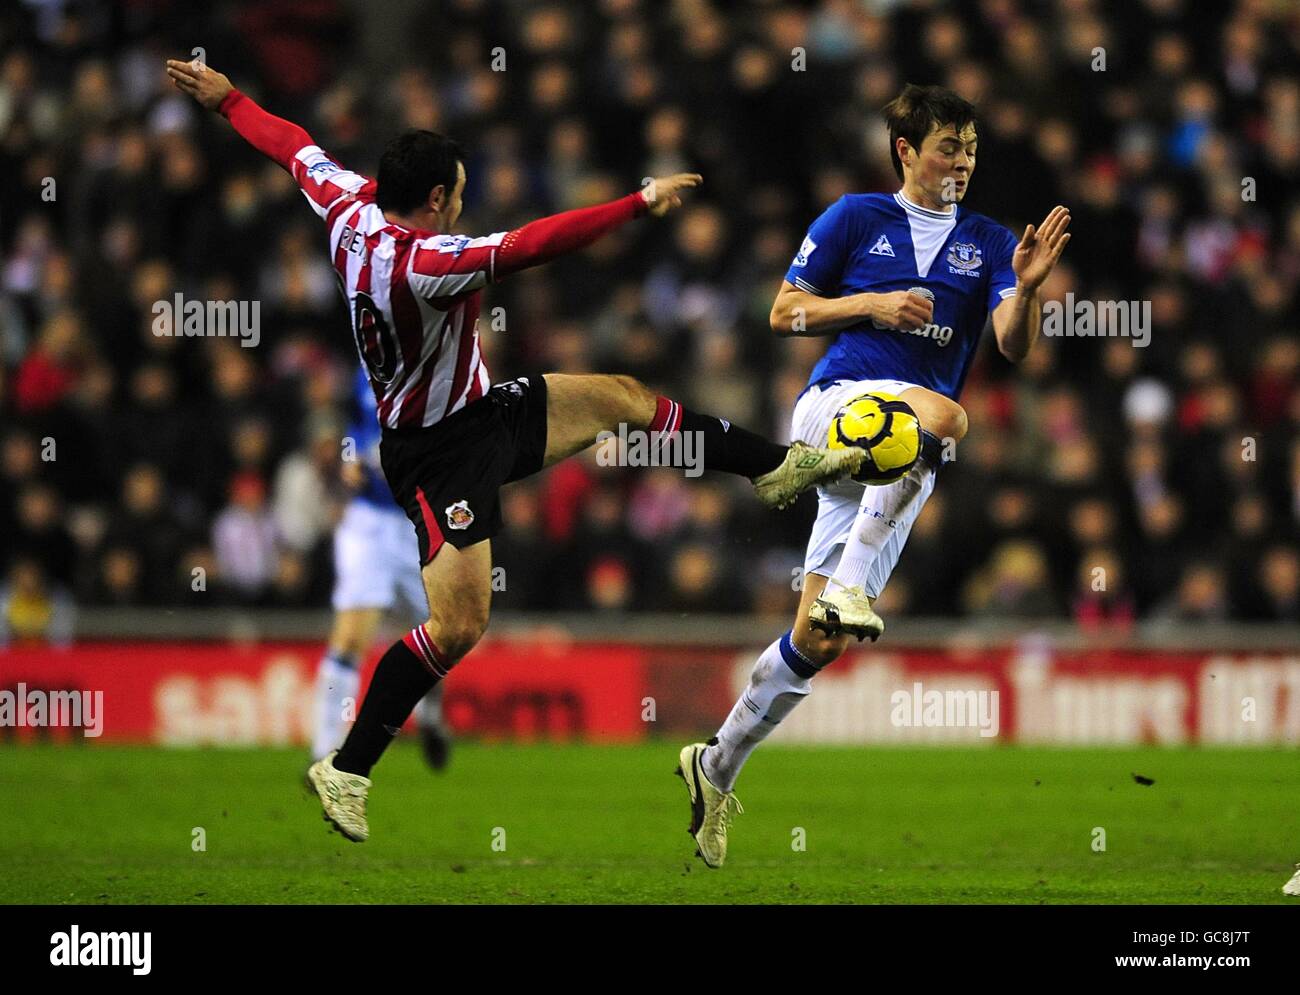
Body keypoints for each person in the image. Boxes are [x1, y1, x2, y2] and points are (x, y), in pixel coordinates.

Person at [166, 57, 863, 842]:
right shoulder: (428, 263)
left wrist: (229, 100)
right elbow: (535, 244)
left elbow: (292, 144)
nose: (464, 206)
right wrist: (637, 203)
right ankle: (349, 766)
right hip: (434, 455)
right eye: (459, 195)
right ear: (437, 200)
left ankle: (775, 466)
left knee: (623, 399)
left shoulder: (346, 206)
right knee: (460, 625)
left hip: (482, 414)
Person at [677, 84, 1072, 868]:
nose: (960, 161)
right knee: (949, 421)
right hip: (835, 402)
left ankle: (714, 764)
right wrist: (873, 304)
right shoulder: (854, 217)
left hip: (890, 458)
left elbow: (1014, 346)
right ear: (907, 151)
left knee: (816, 639)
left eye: (969, 147)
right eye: (947, 147)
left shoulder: (991, 240)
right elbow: (783, 311)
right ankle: (842, 529)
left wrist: (1026, 291)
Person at [310, 369, 451, 773]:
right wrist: (351, 458)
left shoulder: (444, 365)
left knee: (440, 634)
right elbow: (357, 429)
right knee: (351, 636)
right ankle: (324, 752)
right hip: (369, 523)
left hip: (421, 520)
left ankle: (431, 719)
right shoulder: (366, 368)